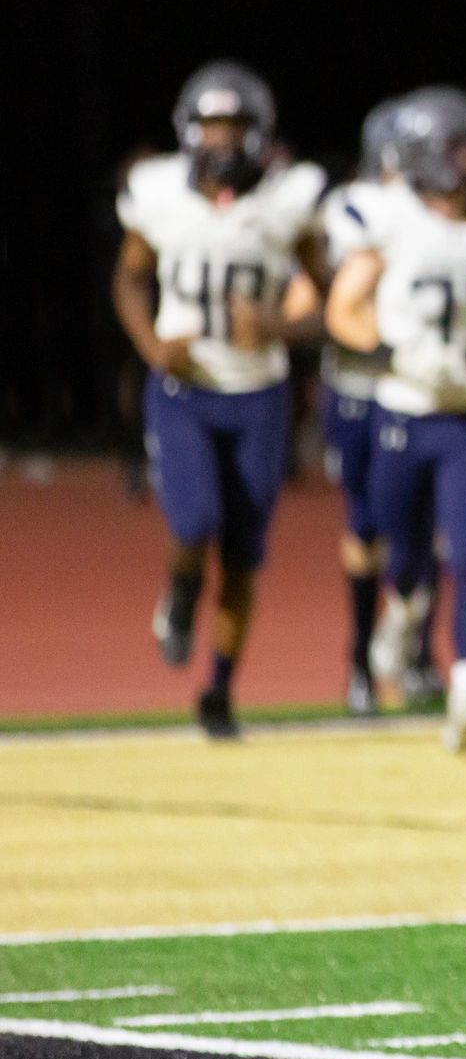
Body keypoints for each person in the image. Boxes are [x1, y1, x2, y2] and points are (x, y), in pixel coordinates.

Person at [112, 61, 327, 739]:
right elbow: (129, 278)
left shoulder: (290, 198)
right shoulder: (159, 194)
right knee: (194, 519)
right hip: (186, 390)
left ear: (259, 131)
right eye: (211, 125)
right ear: (188, 130)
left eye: (234, 125)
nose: (223, 140)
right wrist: (152, 345)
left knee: (240, 556)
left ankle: (220, 690)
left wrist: (279, 326)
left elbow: (333, 302)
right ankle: (180, 593)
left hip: (258, 393)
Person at [326, 87, 466, 753]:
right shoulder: (389, 216)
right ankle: (407, 609)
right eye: (459, 147)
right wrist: (390, 353)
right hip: (406, 412)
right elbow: (343, 309)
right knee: (402, 551)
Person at [320, 95, 411, 714]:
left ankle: (411, 641)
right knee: (367, 522)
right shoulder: (357, 208)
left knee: (425, 522)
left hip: (425, 389)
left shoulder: (454, 211)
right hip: (362, 385)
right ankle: (359, 659)